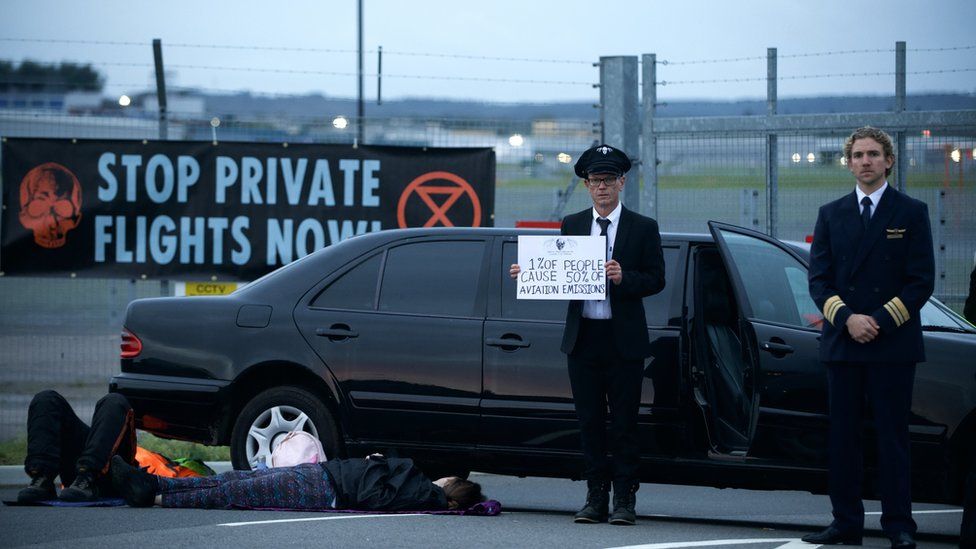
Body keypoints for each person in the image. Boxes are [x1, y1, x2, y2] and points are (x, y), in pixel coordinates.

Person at [510, 144, 666, 525]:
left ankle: (625, 499)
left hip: (623, 339)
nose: (602, 187)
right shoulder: (574, 223)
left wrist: (624, 278)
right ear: (586, 185)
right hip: (584, 340)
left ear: (622, 183)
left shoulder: (643, 227)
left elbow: (656, 279)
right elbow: (560, 272)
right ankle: (595, 496)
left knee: (625, 422)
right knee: (589, 422)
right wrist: (529, 273)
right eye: (595, 181)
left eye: (609, 180)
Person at [805, 127, 935, 549]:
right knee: (843, 441)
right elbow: (819, 281)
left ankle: (899, 526)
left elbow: (921, 282)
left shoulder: (911, 212)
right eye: (858, 155)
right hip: (844, 345)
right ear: (848, 163)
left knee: (892, 440)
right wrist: (847, 319)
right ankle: (845, 523)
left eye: (874, 154)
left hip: (891, 345)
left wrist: (876, 320)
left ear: (889, 161)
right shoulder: (831, 213)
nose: (866, 161)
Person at [109, 453, 485, 512]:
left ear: (451, 485)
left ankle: (156, 497)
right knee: (237, 479)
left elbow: (373, 495)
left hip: (324, 488)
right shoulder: (422, 487)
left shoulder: (423, 491)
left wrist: (377, 463)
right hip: (323, 477)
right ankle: (157, 485)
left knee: (237, 493)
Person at [17, 390, 136, 503]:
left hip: (114, 476)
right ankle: (42, 477)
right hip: (77, 476)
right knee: (46, 398)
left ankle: (88, 476)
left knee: (115, 400)